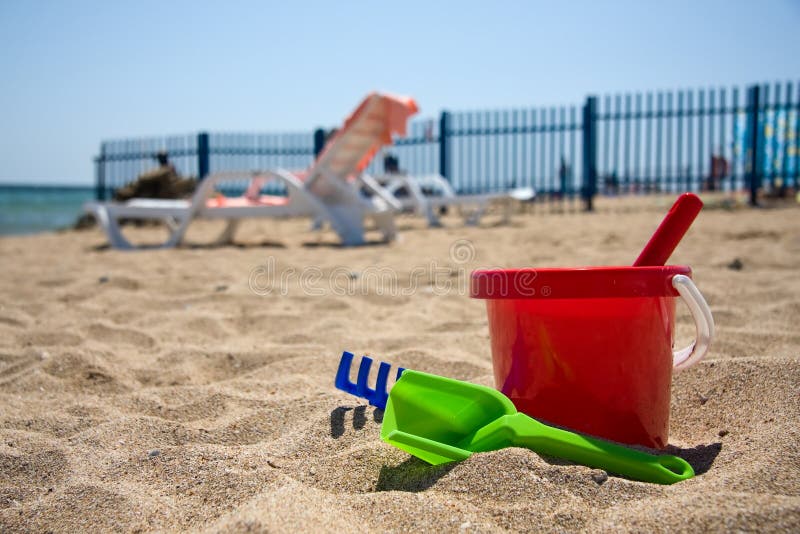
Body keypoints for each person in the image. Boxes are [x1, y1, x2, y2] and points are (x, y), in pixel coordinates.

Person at [113, 150, 196, 201]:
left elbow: (144, 178)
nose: (161, 159)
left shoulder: (166, 170)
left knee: (131, 192)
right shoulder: (168, 169)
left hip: (159, 195)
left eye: (161, 157)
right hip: (159, 192)